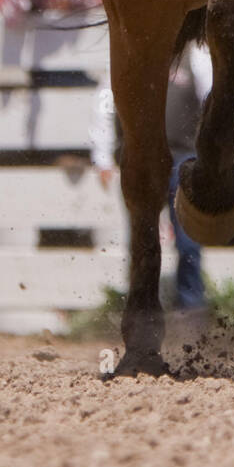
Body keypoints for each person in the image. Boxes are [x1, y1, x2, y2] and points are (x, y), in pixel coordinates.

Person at [91, 42, 210, 315]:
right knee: (141, 237)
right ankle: (143, 306)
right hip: (140, 158)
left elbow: (211, 101)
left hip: (183, 158)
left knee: (188, 239)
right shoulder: (128, 55)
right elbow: (104, 105)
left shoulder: (197, 58)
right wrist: (102, 155)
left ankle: (189, 308)